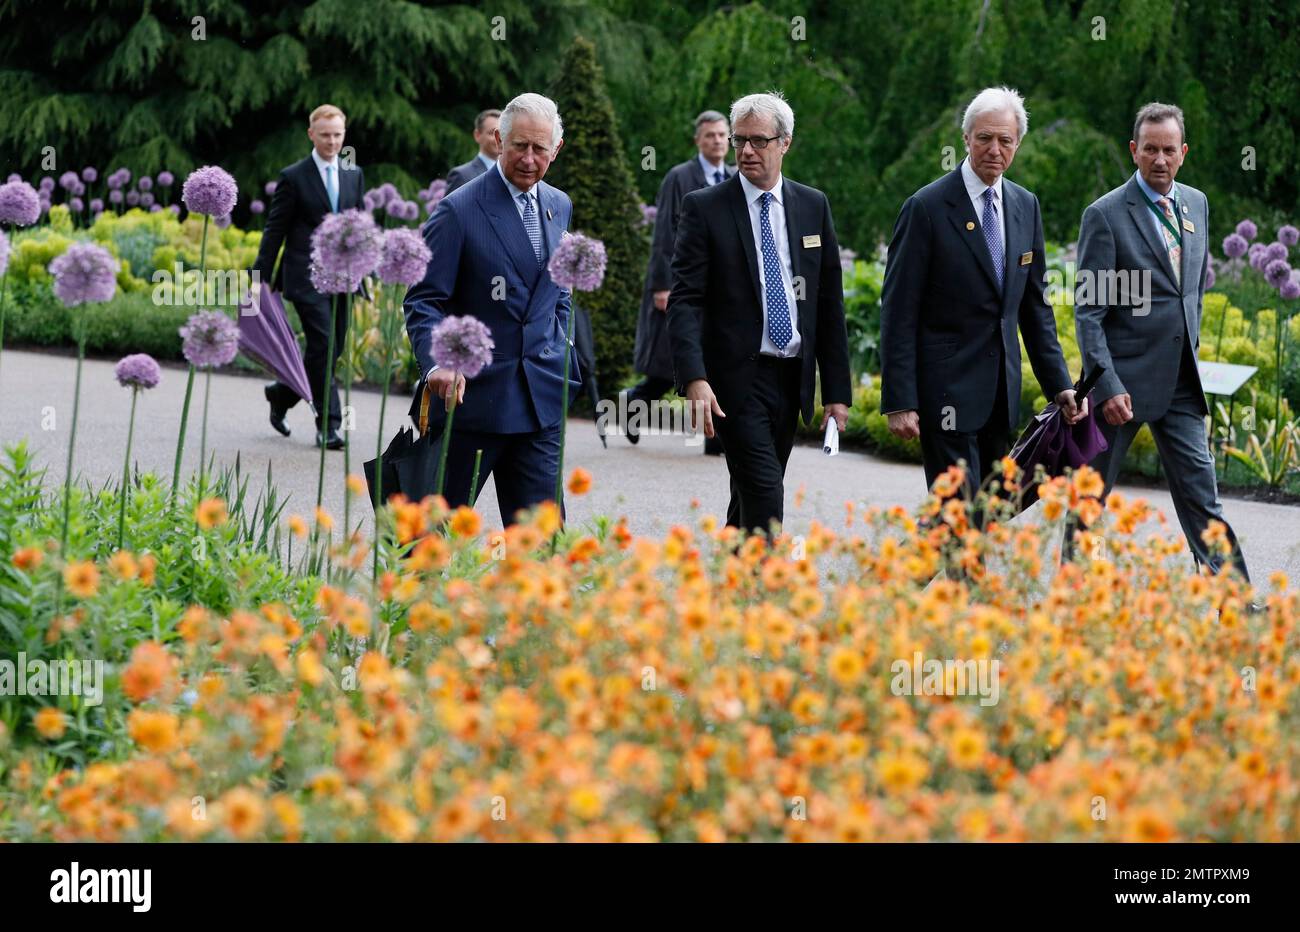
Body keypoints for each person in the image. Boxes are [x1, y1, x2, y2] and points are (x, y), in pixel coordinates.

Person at [879, 85, 1084, 504]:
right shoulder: (927, 208)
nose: (994, 149)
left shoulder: (1026, 206)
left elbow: (1035, 309)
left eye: (1005, 140)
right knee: (960, 510)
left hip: (999, 397)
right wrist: (899, 400)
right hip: (945, 395)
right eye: (984, 138)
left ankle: (900, 572)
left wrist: (1059, 384)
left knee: (981, 513)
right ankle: (897, 573)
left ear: (1018, 144)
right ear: (966, 139)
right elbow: (898, 310)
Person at [1073, 101, 1250, 580]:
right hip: (1119, 388)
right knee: (1088, 500)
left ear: (1183, 152)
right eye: (1149, 149)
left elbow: (1187, 293)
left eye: (1169, 150)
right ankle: (1070, 605)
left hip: (1180, 385)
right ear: (1134, 150)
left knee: (1203, 496)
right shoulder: (1105, 215)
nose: (1159, 159)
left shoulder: (1196, 204)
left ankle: (1235, 600)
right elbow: (1089, 313)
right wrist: (1105, 386)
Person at [667, 91, 851, 536]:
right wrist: (694, 378)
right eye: (740, 141)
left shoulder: (812, 205)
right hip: (734, 382)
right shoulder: (706, 207)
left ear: (785, 142)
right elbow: (685, 299)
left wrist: (837, 393)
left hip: (791, 379)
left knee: (749, 493)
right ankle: (765, 594)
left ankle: (731, 587)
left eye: (759, 141)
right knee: (766, 491)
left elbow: (828, 304)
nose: (747, 151)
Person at [404, 92, 581, 525]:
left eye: (540, 148)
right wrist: (438, 364)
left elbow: (557, 290)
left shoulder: (559, 205)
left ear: (555, 150)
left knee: (542, 551)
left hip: (540, 401)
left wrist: (561, 340)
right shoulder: (458, 210)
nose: (528, 158)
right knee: (427, 545)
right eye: (519, 145)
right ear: (499, 140)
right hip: (472, 402)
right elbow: (424, 300)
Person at [253, 104, 365, 450]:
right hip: (304, 275)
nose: (332, 142)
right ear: (311, 134)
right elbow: (275, 229)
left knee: (332, 348)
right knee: (324, 342)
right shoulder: (293, 176)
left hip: (344, 276)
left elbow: (357, 225)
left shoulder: (353, 174)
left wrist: (367, 269)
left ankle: (283, 393)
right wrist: (259, 276)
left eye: (337, 135)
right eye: (325, 135)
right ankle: (329, 425)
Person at [625, 109, 734, 455]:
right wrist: (662, 285)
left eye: (721, 134)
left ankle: (715, 439)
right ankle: (633, 404)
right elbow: (663, 234)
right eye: (710, 135)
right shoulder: (679, 177)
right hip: (683, 284)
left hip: (718, 291)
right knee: (669, 363)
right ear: (698, 140)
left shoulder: (733, 177)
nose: (717, 140)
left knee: (714, 358)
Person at [445, 109, 501, 194]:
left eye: (502, 133)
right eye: (492, 133)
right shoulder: (461, 176)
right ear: (477, 135)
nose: (499, 138)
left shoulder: (512, 175)